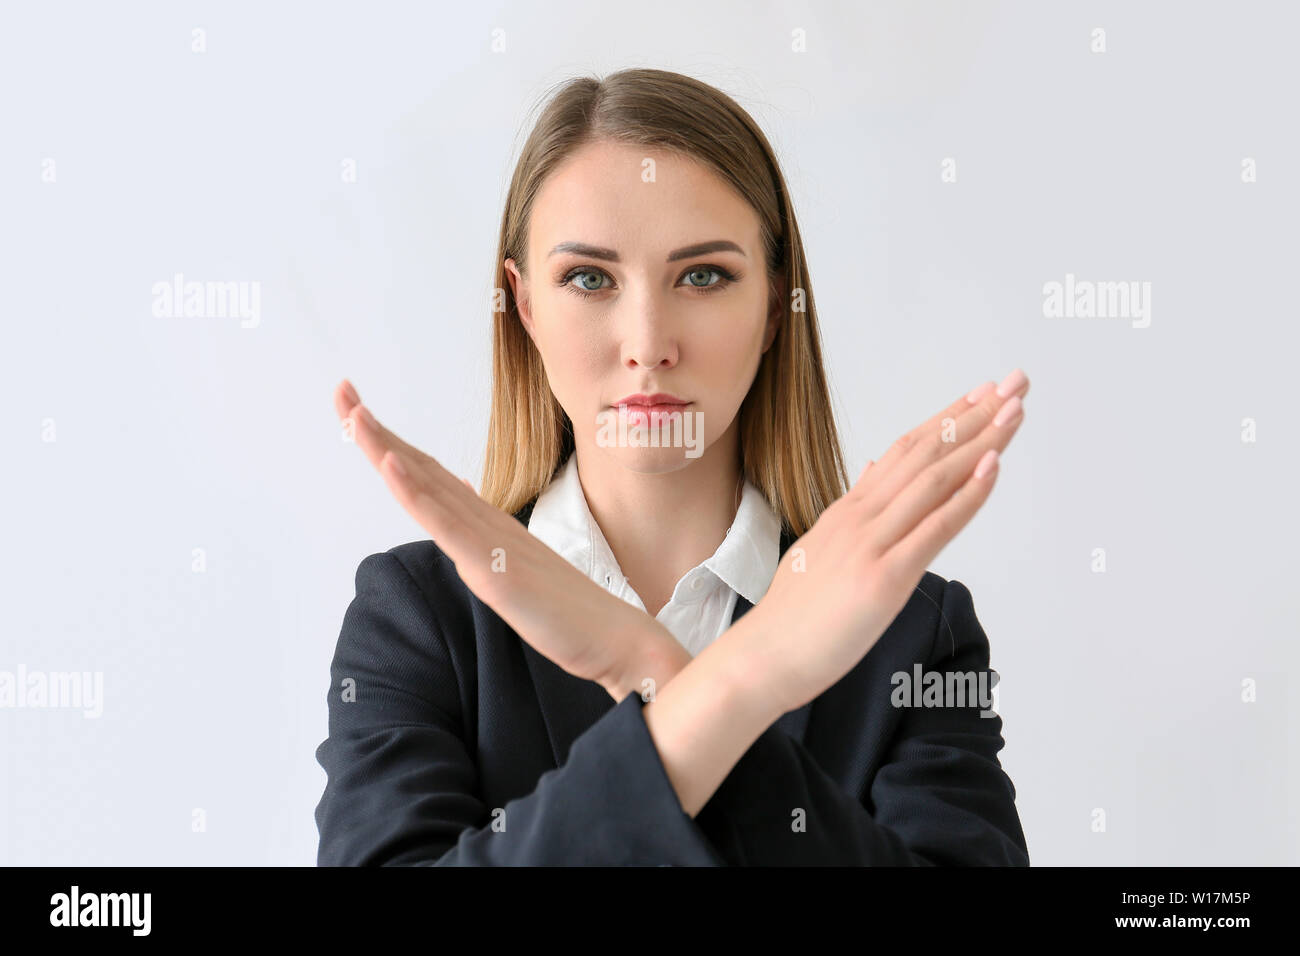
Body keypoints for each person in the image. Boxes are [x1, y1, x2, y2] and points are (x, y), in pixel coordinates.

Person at [313, 68, 1031, 866]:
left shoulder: (911, 631)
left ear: (773, 308)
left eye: (703, 276)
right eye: (589, 278)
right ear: (523, 307)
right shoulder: (417, 618)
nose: (648, 341)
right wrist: (733, 681)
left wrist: (645, 670)